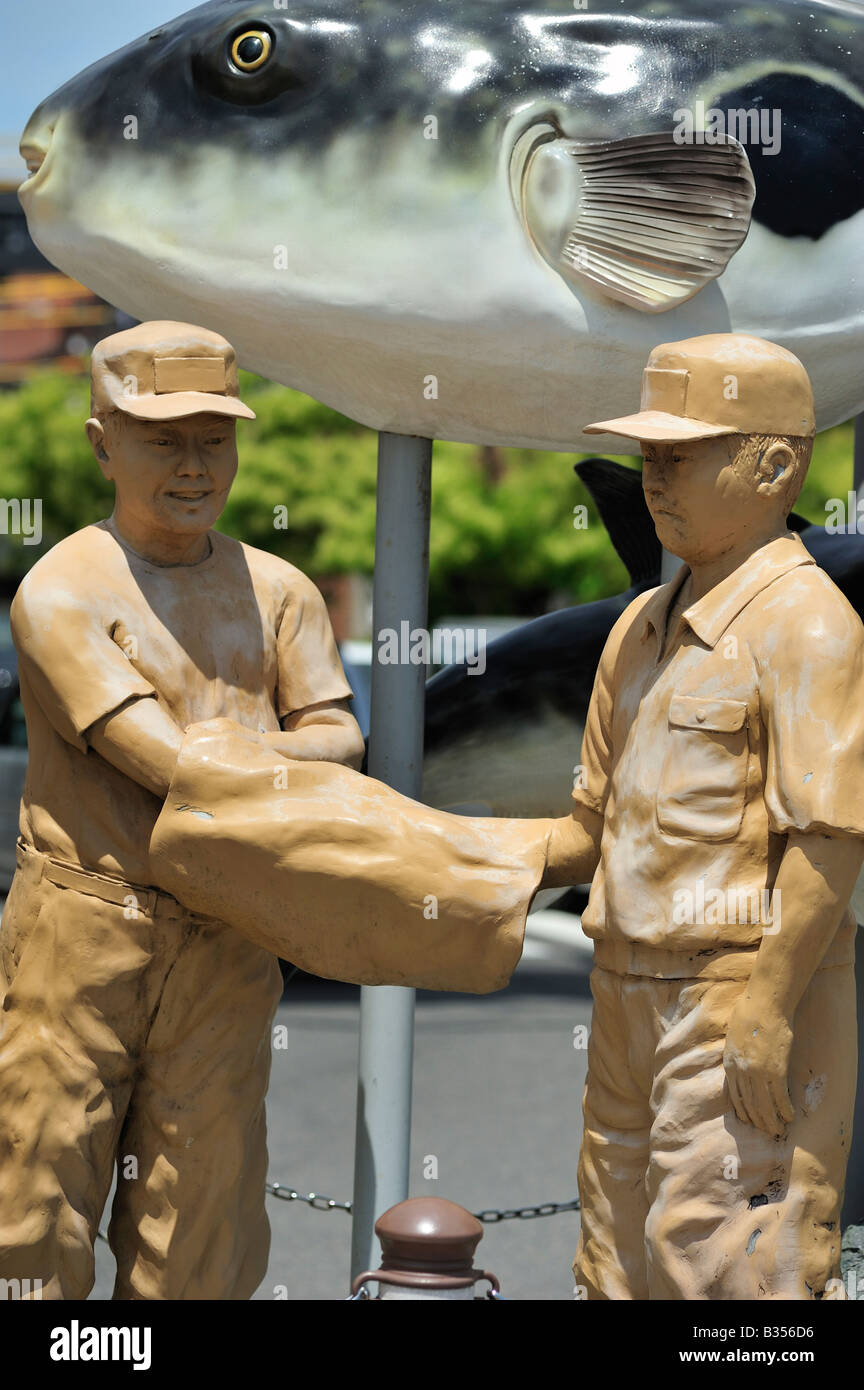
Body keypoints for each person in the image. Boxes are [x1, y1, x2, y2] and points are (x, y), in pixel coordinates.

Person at [0, 320, 366, 1300]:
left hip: (228, 932)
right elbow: (160, 762)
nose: (195, 465)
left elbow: (342, 738)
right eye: (164, 437)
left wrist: (246, 757)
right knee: (36, 1203)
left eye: (215, 437)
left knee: (201, 1221)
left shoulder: (281, 592)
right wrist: (272, 757)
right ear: (101, 443)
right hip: (84, 927)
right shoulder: (63, 588)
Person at [542, 332, 864, 1299]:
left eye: (682, 453)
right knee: (613, 1262)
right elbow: (586, 832)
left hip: (739, 992)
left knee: (731, 1271)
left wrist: (768, 1008)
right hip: (625, 989)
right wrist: (402, 854)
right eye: (648, 454)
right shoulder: (638, 628)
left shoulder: (806, 624)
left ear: (774, 465)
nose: (656, 476)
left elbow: (832, 835)